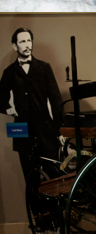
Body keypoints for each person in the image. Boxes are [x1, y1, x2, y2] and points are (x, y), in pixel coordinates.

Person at [0, 28, 63, 182]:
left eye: (29, 40)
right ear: (15, 46)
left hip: (45, 129)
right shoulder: (9, 72)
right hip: (21, 131)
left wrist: (60, 130)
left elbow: (56, 101)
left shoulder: (44, 67)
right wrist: (8, 108)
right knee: (30, 178)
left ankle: (55, 207)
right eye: (23, 42)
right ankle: (35, 206)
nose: (27, 45)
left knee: (53, 176)